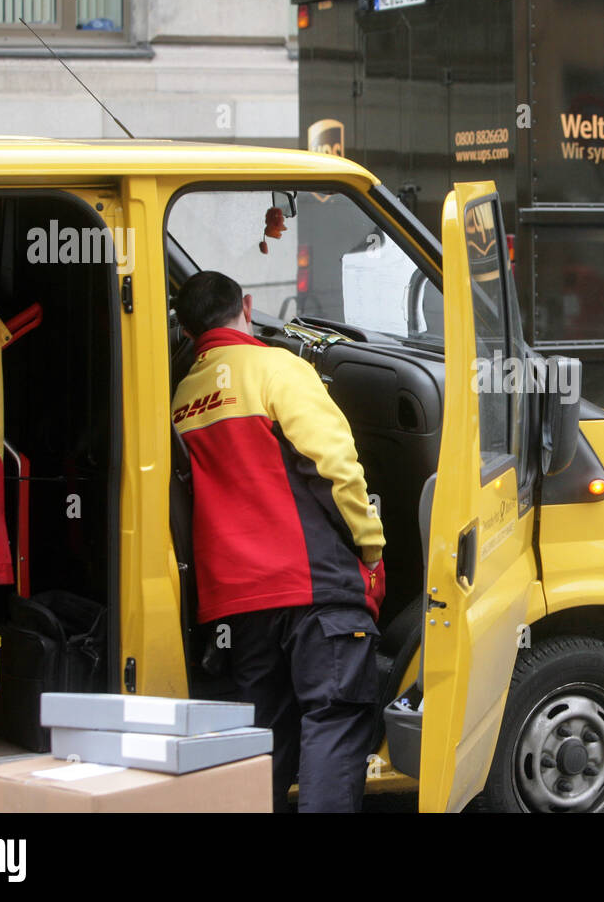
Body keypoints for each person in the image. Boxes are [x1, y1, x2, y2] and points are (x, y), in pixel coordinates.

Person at [171, 271, 385, 813]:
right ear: (246, 306)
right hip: (310, 583)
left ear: (188, 327)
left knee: (263, 736)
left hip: (237, 602)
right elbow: (334, 467)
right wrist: (370, 549)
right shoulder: (277, 367)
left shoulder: (183, 396)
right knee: (336, 718)